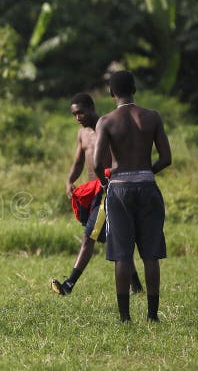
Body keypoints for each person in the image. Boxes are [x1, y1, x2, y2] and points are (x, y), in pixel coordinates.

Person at [93, 71, 171, 322]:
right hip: (148, 187)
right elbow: (166, 158)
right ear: (134, 90)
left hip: (120, 189)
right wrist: (148, 171)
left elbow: (96, 163)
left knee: (122, 255)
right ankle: (152, 315)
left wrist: (107, 182)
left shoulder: (106, 121)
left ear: (111, 93)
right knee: (150, 254)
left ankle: (124, 316)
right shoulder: (152, 117)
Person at [50, 93, 143, 296]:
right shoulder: (82, 134)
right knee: (116, 239)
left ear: (91, 108)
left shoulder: (107, 126)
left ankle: (69, 285)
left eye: (81, 112)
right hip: (94, 192)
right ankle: (136, 285)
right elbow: (79, 162)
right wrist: (69, 181)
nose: (78, 118)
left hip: (110, 191)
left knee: (88, 237)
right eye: (74, 114)